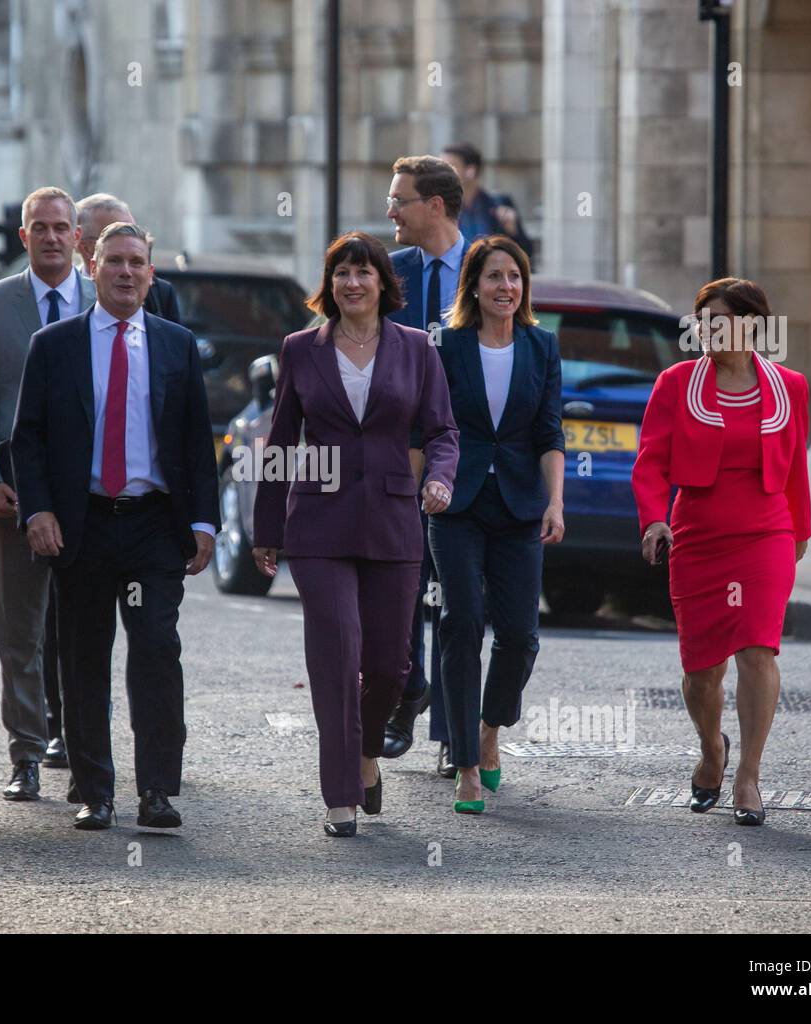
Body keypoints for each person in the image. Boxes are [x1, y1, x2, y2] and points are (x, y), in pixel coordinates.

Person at [10, 221, 219, 831]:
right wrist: (38, 510)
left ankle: (157, 789)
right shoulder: (55, 344)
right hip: (84, 524)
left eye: (137, 263)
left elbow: (194, 439)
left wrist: (204, 523)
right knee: (82, 657)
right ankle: (93, 788)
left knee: (157, 649)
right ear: (91, 267)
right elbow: (29, 440)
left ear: (151, 274)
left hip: (155, 524)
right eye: (114, 262)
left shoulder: (176, 343)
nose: (126, 272)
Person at [252, 231, 458, 837]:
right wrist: (268, 527)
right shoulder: (300, 349)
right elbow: (283, 442)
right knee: (337, 654)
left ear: (382, 284)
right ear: (329, 283)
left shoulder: (417, 348)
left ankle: (367, 752)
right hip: (319, 523)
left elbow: (443, 432)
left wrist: (440, 480)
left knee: (391, 667)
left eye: (364, 272)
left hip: (394, 522)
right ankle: (340, 796)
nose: (353, 282)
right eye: (342, 272)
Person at [632, 278, 811, 826]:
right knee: (701, 672)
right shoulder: (675, 383)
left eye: (720, 320)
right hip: (699, 536)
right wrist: (654, 519)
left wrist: (800, 533)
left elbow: (797, 468)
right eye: (702, 321)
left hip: (766, 534)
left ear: (752, 325)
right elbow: (650, 463)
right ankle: (713, 749)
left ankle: (748, 776)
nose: (708, 331)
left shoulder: (791, 387)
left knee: (759, 649)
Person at [0, 187, 95, 802]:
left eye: (60, 227)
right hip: (13, 488)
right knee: (19, 628)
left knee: (86, 627)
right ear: (23, 236)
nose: (50, 237)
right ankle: (27, 754)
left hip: (92, 490)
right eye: (38, 227)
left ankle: (86, 751)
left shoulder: (102, 297)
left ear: (76, 237)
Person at [428, 236, 565, 814]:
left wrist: (555, 503)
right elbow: (428, 424)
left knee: (518, 635)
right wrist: (427, 483)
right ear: (474, 286)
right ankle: (463, 763)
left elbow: (550, 433)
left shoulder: (542, 346)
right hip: (456, 506)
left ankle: (490, 727)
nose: (505, 286)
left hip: (519, 507)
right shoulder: (447, 345)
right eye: (494, 277)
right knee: (461, 622)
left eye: (514, 276)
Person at [382, 154, 466, 776]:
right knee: (400, 587)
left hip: (467, 458)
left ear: (434, 205)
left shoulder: (488, 269)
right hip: (397, 458)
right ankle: (405, 696)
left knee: (457, 600)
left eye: (400, 200)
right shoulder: (393, 274)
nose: (391, 211)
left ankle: (448, 729)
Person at [75, 193, 183, 324]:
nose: (130, 240)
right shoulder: (66, 294)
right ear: (85, 247)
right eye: (114, 233)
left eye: (133, 230)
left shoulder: (159, 293)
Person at [441, 143, 534, 260]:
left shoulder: (499, 204)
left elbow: (526, 253)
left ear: (471, 171)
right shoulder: (441, 207)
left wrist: (513, 231)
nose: (443, 173)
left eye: (450, 166)